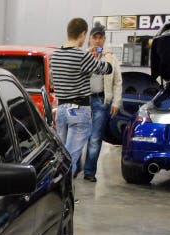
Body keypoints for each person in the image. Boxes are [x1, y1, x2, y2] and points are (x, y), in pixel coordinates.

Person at [49, 18, 113, 178]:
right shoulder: (82, 56)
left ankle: (58, 193)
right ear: (83, 34)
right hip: (79, 111)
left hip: (61, 111)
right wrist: (107, 56)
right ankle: (64, 197)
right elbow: (106, 69)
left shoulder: (55, 55)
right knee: (70, 159)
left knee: (61, 156)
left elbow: (52, 79)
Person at [82, 23, 122, 182]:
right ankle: (74, 168)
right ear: (89, 39)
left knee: (95, 137)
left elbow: (118, 81)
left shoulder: (110, 58)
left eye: (100, 38)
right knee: (79, 136)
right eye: (94, 37)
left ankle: (89, 172)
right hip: (83, 100)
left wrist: (116, 102)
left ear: (104, 39)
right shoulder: (83, 56)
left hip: (101, 100)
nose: (97, 41)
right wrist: (88, 55)